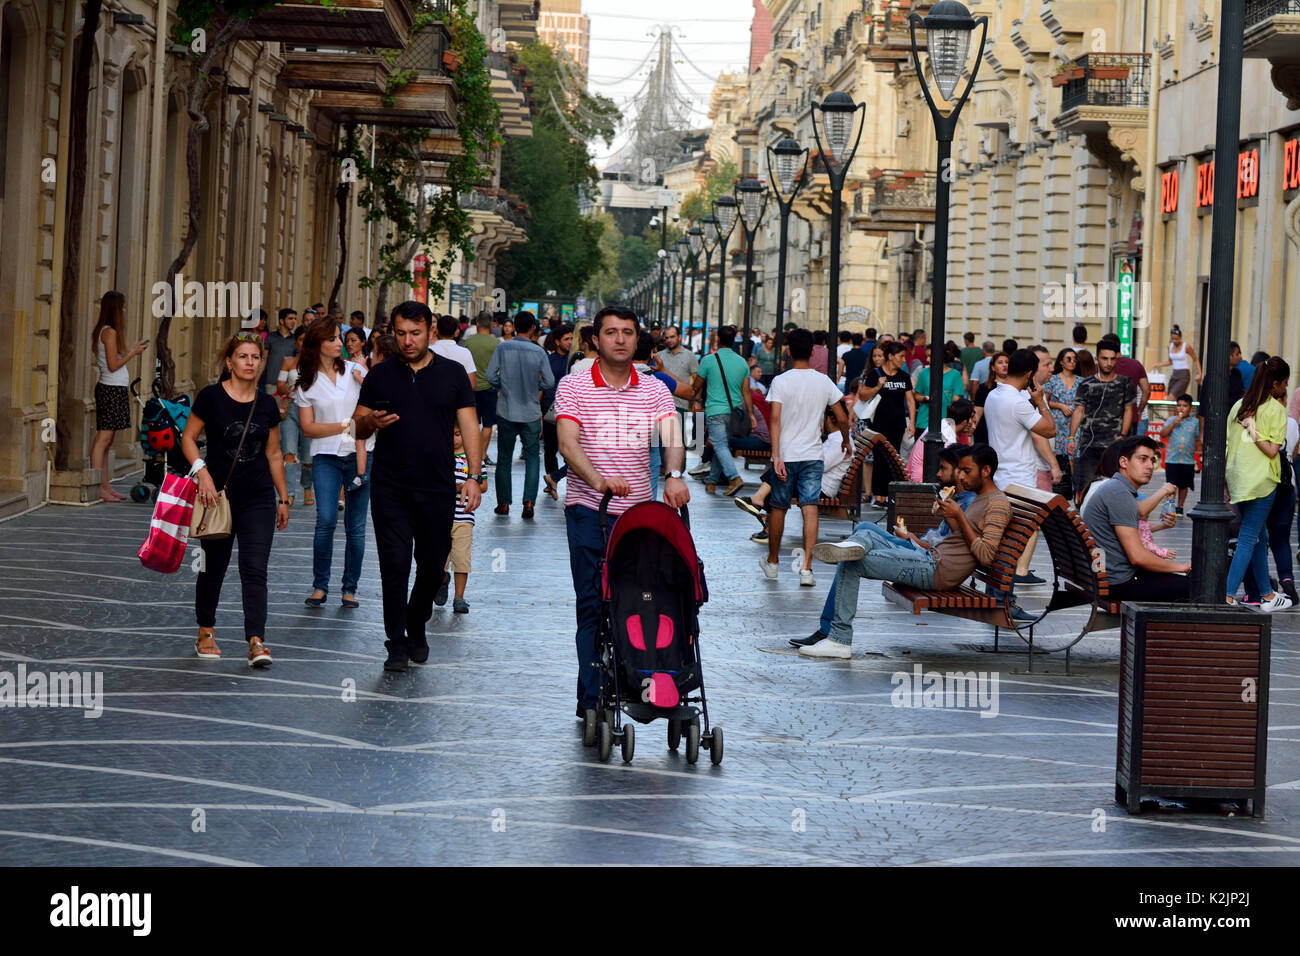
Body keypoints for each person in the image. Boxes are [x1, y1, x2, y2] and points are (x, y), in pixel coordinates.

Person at [553, 305, 687, 724]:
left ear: (636, 339)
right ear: (595, 340)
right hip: (589, 511)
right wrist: (597, 480)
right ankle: (591, 698)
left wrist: (674, 474)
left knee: (640, 600)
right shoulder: (573, 386)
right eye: (610, 332)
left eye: (627, 332)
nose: (620, 339)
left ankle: (644, 677)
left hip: (639, 519)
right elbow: (567, 443)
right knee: (593, 604)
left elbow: (673, 438)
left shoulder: (655, 390)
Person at [353, 301, 482, 672]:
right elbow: (356, 426)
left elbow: (470, 425)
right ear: (393, 332)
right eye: (401, 333)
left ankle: (416, 619)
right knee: (393, 567)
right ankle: (395, 643)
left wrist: (474, 475)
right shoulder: (380, 375)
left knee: (430, 568)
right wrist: (370, 422)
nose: (408, 341)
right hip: (390, 487)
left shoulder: (453, 374)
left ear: (431, 332)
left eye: (415, 333)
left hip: (438, 487)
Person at [802, 443, 1011, 658]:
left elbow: (986, 556)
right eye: (961, 471)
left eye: (967, 471)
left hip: (938, 570)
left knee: (852, 562)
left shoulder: (997, 504)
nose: (962, 477)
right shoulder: (979, 498)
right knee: (866, 533)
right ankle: (853, 546)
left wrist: (958, 516)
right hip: (929, 558)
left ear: (986, 471)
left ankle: (839, 640)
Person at [181, 332, 289, 666]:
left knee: (255, 570)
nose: (249, 363)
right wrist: (202, 473)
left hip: (258, 498)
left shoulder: (268, 404)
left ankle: (256, 640)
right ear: (230, 362)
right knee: (213, 567)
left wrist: (283, 498)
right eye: (243, 356)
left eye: (255, 357)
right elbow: (188, 438)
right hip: (218, 497)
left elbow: (273, 454)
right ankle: (206, 630)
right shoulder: (211, 397)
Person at [760, 329, 851, 586]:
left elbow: (774, 419)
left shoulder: (780, 381)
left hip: (786, 455)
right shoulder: (823, 381)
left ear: (789, 352)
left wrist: (775, 455)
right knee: (810, 508)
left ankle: (773, 562)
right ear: (812, 352)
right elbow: (842, 416)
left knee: (778, 507)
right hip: (813, 454)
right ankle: (807, 569)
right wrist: (845, 439)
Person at [295, 318, 373, 610]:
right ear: (318, 344)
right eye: (333, 339)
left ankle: (350, 588)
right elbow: (308, 428)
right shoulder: (306, 381)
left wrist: (366, 383)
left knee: (355, 526)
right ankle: (319, 586)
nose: (341, 343)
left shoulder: (355, 370)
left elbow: (376, 402)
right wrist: (344, 425)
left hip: (360, 455)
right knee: (326, 519)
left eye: (340, 338)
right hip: (325, 456)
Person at [1080, 436, 1192, 602]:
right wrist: (1182, 567)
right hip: (1119, 582)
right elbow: (1137, 556)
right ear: (1124, 462)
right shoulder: (1118, 493)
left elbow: (1134, 513)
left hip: (1106, 577)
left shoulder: (1116, 489)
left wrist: (1161, 525)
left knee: (1179, 582)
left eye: (1152, 460)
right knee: (1194, 588)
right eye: (1142, 459)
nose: (1150, 466)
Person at [984, 348, 1056, 599]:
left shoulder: (993, 395)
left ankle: (995, 594)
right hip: (1020, 480)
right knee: (1013, 543)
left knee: (1002, 542)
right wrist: (1040, 403)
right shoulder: (1018, 403)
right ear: (1028, 374)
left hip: (999, 476)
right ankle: (1005, 599)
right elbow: (1049, 430)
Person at [1224, 356, 1293, 610]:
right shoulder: (1276, 410)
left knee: (1259, 536)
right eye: (1284, 383)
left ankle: (1267, 595)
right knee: (1249, 536)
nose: (1285, 387)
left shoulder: (1238, 406)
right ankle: (1228, 594)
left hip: (1238, 480)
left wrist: (1225, 482)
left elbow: (1228, 446)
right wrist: (1255, 432)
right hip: (1262, 481)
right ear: (1276, 384)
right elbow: (1273, 450)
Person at [487, 310, 554, 519]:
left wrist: (502, 386)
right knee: (533, 458)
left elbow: (490, 375)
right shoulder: (539, 352)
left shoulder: (503, 347)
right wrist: (536, 386)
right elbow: (550, 382)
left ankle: (504, 503)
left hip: (507, 410)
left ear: (514, 326)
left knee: (505, 457)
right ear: (533, 328)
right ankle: (529, 502)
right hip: (531, 412)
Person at [90, 291, 148, 502]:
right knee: (103, 439)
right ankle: (97, 487)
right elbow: (114, 365)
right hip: (110, 388)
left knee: (108, 441)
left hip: (114, 388)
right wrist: (132, 354)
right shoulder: (109, 332)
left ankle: (105, 486)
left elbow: (114, 358)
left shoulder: (108, 332)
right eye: (122, 306)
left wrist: (132, 349)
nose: (124, 310)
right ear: (115, 308)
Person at [1069, 339, 1136, 501]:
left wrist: (1123, 435)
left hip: (1114, 446)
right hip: (1088, 445)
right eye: (1105, 358)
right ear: (1097, 359)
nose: (1109, 363)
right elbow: (1079, 410)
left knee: (1116, 490)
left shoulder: (1125, 383)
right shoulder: (1086, 384)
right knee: (1085, 489)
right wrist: (1071, 437)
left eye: (1112, 359)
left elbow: (1128, 410)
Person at [695, 325, 754, 498]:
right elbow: (746, 392)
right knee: (722, 445)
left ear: (718, 340)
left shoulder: (708, 360)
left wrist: (696, 400)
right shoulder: (742, 362)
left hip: (715, 411)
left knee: (719, 445)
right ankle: (712, 482)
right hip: (734, 412)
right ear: (734, 339)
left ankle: (734, 478)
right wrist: (750, 414)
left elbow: (697, 385)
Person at [437, 423, 486, 615]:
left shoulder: (473, 460)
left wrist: (467, 485)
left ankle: (459, 597)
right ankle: (441, 580)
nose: (455, 439)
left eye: (459, 434)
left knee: (461, 558)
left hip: (464, 516)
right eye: (452, 434)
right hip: (440, 516)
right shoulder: (440, 456)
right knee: (440, 558)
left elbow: (483, 486)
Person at [861, 341, 916, 506]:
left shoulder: (903, 376)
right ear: (890, 357)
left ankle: (890, 495)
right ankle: (879, 497)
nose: (903, 360)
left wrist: (911, 423)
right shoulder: (875, 374)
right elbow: (863, 395)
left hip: (898, 424)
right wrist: (878, 386)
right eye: (901, 356)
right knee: (880, 459)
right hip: (879, 424)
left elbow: (910, 401)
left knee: (894, 459)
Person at [275, 324, 313, 506]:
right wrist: (291, 386)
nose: (303, 344)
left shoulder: (318, 363)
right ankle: (289, 492)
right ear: (296, 342)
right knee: (289, 452)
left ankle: (307, 489)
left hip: (311, 411)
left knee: (307, 455)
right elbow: (279, 386)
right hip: (290, 409)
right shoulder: (288, 362)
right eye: (300, 340)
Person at [540, 323, 574, 499]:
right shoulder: (548, 360)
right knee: (550, 448)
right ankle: (551, 479)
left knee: (570, 447)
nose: (570, 342)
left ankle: (564, 478)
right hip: (549, 409)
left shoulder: (574, 360)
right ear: (557, 341)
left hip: (569, 410)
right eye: (566, 339)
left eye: (571, 339)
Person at [907, 396, 974, 480]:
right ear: (965, 421)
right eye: (971, 418)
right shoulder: (948, 437)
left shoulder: (941, 424)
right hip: (922, 481)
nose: (972, 423)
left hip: (917, 475)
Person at [465, 311, 500, 467]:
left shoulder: (468, 343)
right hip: (490, 388)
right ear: (491, 325)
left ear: (477, 323)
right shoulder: (496, 344)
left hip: (470, 388)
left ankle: (469, 453)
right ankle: (482, 455)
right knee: (487, 424)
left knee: (471, 423)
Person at [1043, 348, 1079, 498]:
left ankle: (1075, 489)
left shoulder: (1081, 381)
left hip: (1074, 425)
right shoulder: (1053, 380)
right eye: (1069, 359)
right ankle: (1059, 490)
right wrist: (1060, 405)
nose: (1072, 362)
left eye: (1074, 359)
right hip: (1057, 423)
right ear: (1061, 362)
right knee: (1058, 455)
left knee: (1074, 457)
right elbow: (1044, 401)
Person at [657, 325, 700, 448]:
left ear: (680, 337)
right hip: (662, 407)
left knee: (680, 444)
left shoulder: (690, 356)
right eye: (667, 338)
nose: (669, 340)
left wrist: (696, 401)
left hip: (682, 405)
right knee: (663, 445)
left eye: (672, 337)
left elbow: (697, 380)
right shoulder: (659, 356)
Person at [1159, 394, 1200, 515]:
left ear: (1190, 408)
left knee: (1184, 485)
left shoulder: (1195, 422)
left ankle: (1180, 506)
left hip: (1187, 460)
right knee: (1171, 483)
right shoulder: (1172, 420)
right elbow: (1163, 434)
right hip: (1172, 459)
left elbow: (1198, 438)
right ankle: (1170, 505)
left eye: (1185, 406)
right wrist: (1173, 424)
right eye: (1179, 405)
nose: (1181, 408)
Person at [914, 341, 964, 435]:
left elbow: (956, 398)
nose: (927, 360)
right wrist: (925, 398)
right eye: (927, 356)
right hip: (924, 421)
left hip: (946, 423)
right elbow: (917, 395)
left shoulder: (955, 375)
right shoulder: (923, 373)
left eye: (930, 356)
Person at [1152, 325, 1202, 401]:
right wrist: (1158, 365)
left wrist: (1199, 374)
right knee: (1171, 398)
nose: (1174, 341)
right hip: (1174, 374)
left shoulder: (1186, 346)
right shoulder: (1170, 346)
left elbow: (1195, 359)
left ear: (1180, 337)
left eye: (1176, 339)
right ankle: (1174, 413)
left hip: (1183, 374)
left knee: (1171, 397)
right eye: (1173, 339)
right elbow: (1170, 361)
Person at [971, 351, 1009, 446]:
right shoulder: (984, 388)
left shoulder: (1015, 387)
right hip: (986, 431)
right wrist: (970, 432)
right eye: (1000, 362)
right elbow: (978, 412)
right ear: (993, 367)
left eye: (1007, 362)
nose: (1004, 365)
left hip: (1007, 432)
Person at [431, 313, 477, 391]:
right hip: (457, 399)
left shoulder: (428, 351)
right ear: (456, 332)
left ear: (437, 331)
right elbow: (472, 384)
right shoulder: (465, 353)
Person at [261, 307, 300, 393]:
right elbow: (264, 359)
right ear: (281, 321)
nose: (293, 321)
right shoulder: (270, 336)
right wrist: (256, 379)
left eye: (295, 319)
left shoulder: (296, 339)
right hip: (271, 384)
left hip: (288, 385)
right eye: (290, 318)